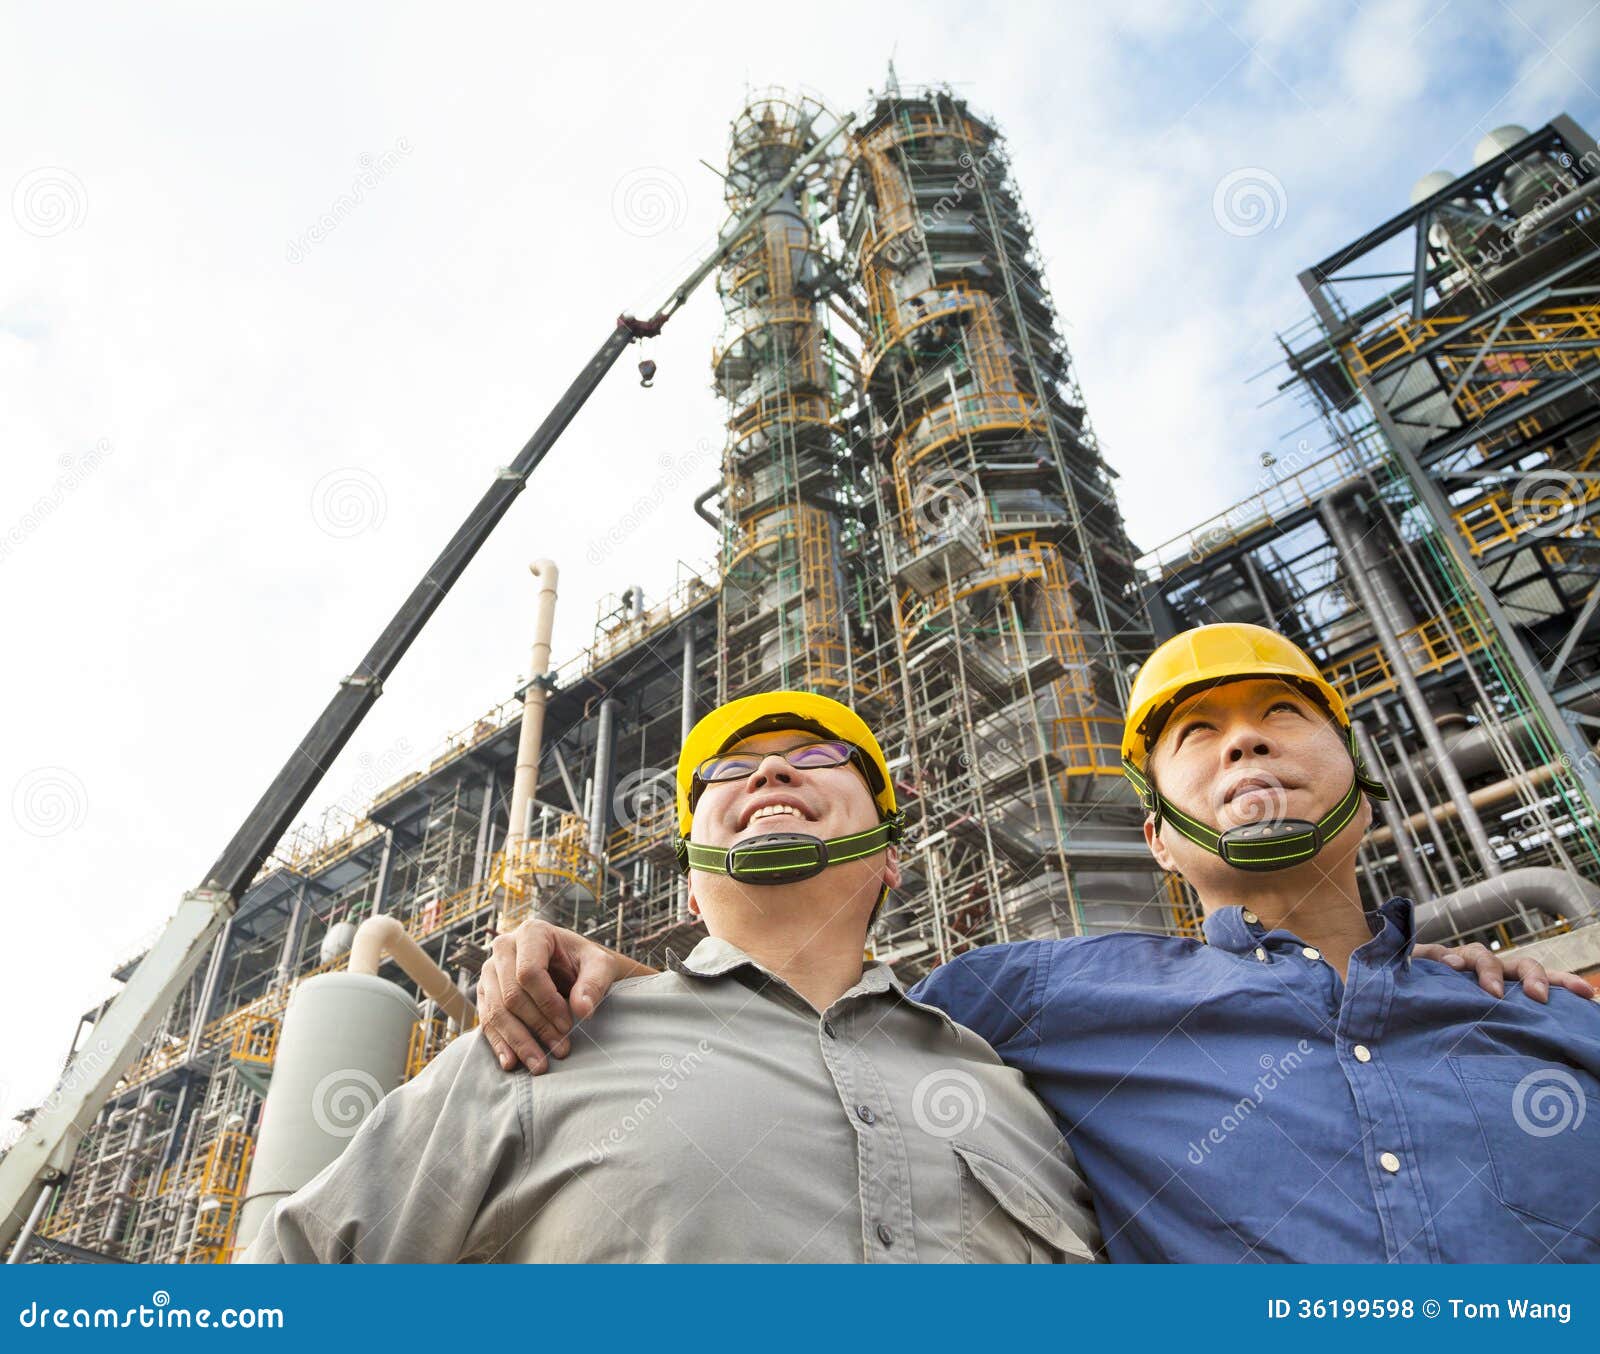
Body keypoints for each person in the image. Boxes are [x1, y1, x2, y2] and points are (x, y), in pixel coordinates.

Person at [480, 624, 1600, 1263]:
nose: (1246, 740)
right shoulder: (1042, 998)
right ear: (1158, 841)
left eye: (1283, 716)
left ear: (1362, 799)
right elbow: (826, 1021)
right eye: (1198, 735)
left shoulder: (1545, 1016)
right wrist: (634, 994)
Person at [242, 691, 1099, 1263]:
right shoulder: (546, 1045)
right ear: (691, 881)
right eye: (729, 771)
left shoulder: (1017, 1101)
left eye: (819, 754)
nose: (769, 771)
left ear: (891, 860)